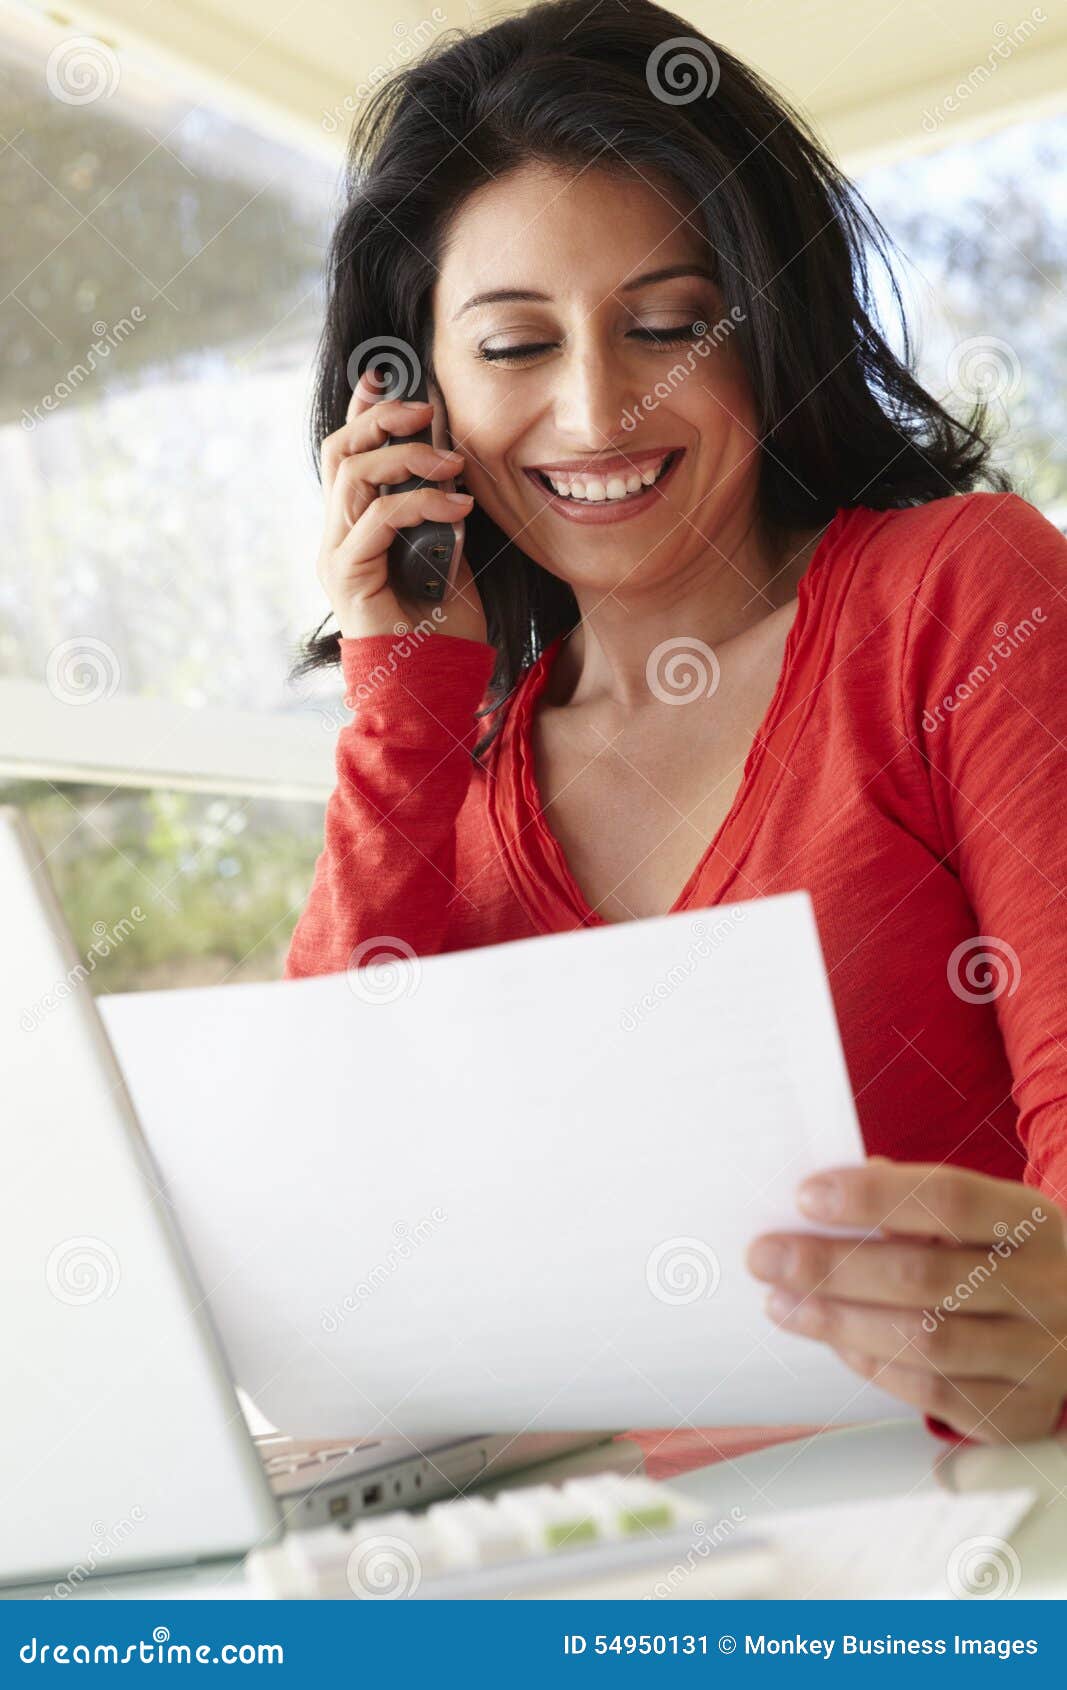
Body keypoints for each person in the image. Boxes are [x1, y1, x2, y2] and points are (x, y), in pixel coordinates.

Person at [286, 0, 1067, 1445]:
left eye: (666, 325)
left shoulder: (958, 598)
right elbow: (327, 1250)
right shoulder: (447, 782)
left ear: (769, 326)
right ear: (412, 403)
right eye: (515, 345)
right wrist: (399, 710)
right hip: (605, 1553)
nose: (597, 410)